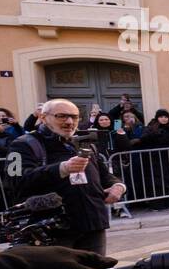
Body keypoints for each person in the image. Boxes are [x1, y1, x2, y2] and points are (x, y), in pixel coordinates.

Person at [10, 100, 125, 254]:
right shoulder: (21, 145)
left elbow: (105, 175)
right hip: (52, 229)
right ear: (43, 117)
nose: (70, 122)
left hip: (92, 223)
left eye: (75, 117)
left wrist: (118, 186)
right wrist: (61, 168)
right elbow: (15, 181)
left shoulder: (85, 143)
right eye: (61, 116)